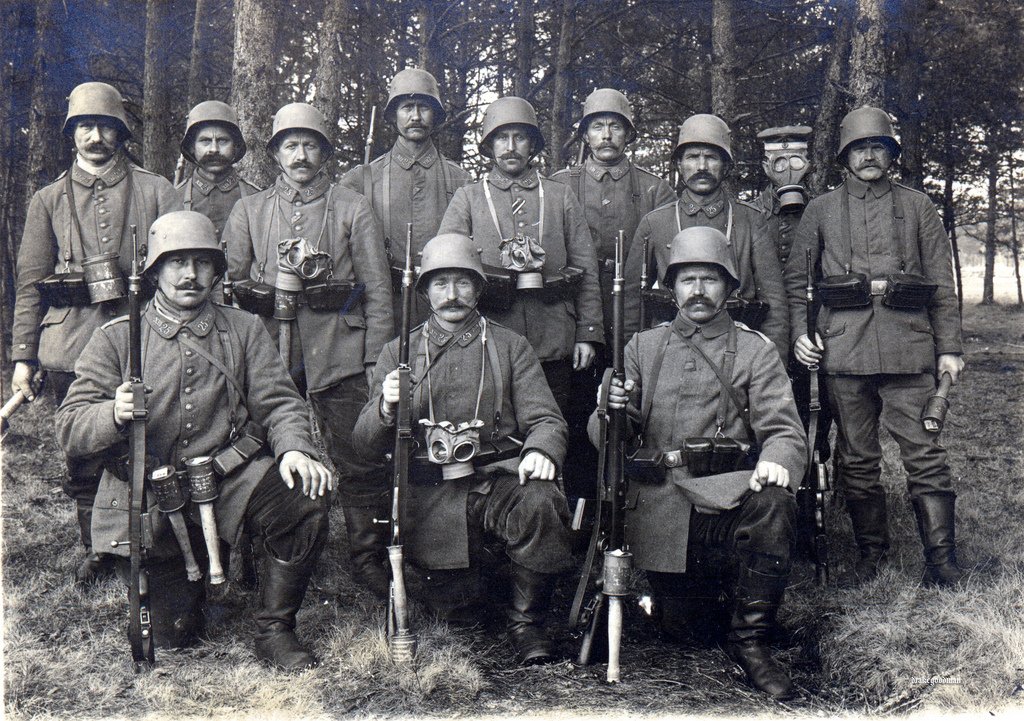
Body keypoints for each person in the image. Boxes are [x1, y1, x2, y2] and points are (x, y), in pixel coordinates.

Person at [55, 211, 333, 670]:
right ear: (155, 271)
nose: (190, 275)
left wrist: (295, 449)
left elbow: (280, 402)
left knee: (301, 498)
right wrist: (113, 413)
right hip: (152, 497)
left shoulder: (243, 330)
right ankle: (193, 567)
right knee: (173, 637)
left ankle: (275, 629)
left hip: (230, 479)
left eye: (202, 263)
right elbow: (69, 425)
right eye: (177, 262)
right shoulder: (116, 339)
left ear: (217, 271)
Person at [595, 226, 805, 698]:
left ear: (729, 288)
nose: (697, 290)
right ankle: (710, 606)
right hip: (659, 510)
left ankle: (752, 641)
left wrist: (776, 461)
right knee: (688, 633)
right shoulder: (642, 348)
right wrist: (610, 409)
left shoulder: (755, 351)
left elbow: (786, 431)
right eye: (686, 279)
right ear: (670, 289)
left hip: (722, 504)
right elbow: (613, 437)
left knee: (773, 501)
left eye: (709, 279)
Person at [353, 233, 572, 666]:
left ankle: (526, 623)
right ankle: (481, 584)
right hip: (430, 496)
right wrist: (385, 404)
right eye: (440, 283)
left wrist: (542, 451)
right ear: (423, 292)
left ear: (479, 287)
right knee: (459, 615)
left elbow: (547, 419)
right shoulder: (398, 351)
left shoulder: (510, 346)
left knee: (540, 502)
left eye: (462, 282)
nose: (452, 295)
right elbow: (363, 443)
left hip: (496, 482)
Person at [786, 106, 966, 588]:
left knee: (924, 451)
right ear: (844, 157)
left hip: (910, 346)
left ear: (891, 155)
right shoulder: (821, 209)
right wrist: (801, 335)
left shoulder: (918, 206)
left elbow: (941, 282)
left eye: (877, 146)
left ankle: (941, 560)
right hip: (843, 349)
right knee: (857, 456)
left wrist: (949, 346)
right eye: (858, 148)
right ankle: (871, 554)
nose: (868, 155)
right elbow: (796, 282)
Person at [223, 102, 393, 597]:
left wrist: (372, 360)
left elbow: (377, 289)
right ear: (275, 152)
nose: (300, 155)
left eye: (310, 145)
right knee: (261, 449)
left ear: (324, 153)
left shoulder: (352, 206)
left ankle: (366, 558)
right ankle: (269, 553)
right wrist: (265, 289)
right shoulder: (249, 209)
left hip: (339, 351)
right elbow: (228, 285)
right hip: (269, 355)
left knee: (360, 454)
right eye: (290, 145)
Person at [11, 81, 178, 584]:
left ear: (122, 133)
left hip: (144, 339)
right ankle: (97, 547)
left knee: (152, 446)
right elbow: (30, 283)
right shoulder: (47, 200)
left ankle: (154, 546)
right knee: (84, 451)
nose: (96, 137)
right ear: (71, 134)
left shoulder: (157, 190)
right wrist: (25, 356)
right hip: (71, 342)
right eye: (85, 126)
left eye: (106, 126)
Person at [438, 96, 604, 415]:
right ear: (488, 145)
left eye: (520, 137)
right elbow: (447, 270)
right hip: (487, 339)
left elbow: (586, 270)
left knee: (554, 429)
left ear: (532, 145)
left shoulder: (559, 196)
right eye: (502, 137)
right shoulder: (468, 199)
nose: (511, 146)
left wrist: (588, 333)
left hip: (554, 339)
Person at [549, 88, 675, 501]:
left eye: (615, 127)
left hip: (635, 320)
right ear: (585, 135)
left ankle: (632, 510)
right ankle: (583, 512)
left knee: (635, 413)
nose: (606, 135)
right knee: (580, 412)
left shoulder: (655, 191)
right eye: (597, 127)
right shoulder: (560, 186)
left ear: (628, 135)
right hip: (576, 320)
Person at [622, 114, 788, 356]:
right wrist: (633, 365)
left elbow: (775, 302)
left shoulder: (750, 220)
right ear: (678, 165)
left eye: (711, 157)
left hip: (737, 350)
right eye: (692, 157)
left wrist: (774, 360)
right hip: (671, 351)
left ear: (727, 166)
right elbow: (631, 304)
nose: (701, 167)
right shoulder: (655, 222)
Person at [339, 68, 471, 325]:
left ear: (436, 115)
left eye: (424, 107)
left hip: (445, 307)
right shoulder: (361, 180)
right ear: (393, 115)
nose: (416, 116)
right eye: (407, 107)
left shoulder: (461, 181)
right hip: (381, 307)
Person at [176, 100, 260, 241]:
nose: (214, 149)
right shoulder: (174, 198)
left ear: (236, 147)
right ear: (192, 147)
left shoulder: (256, 198)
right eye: (205, 141)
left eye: (222, 141)